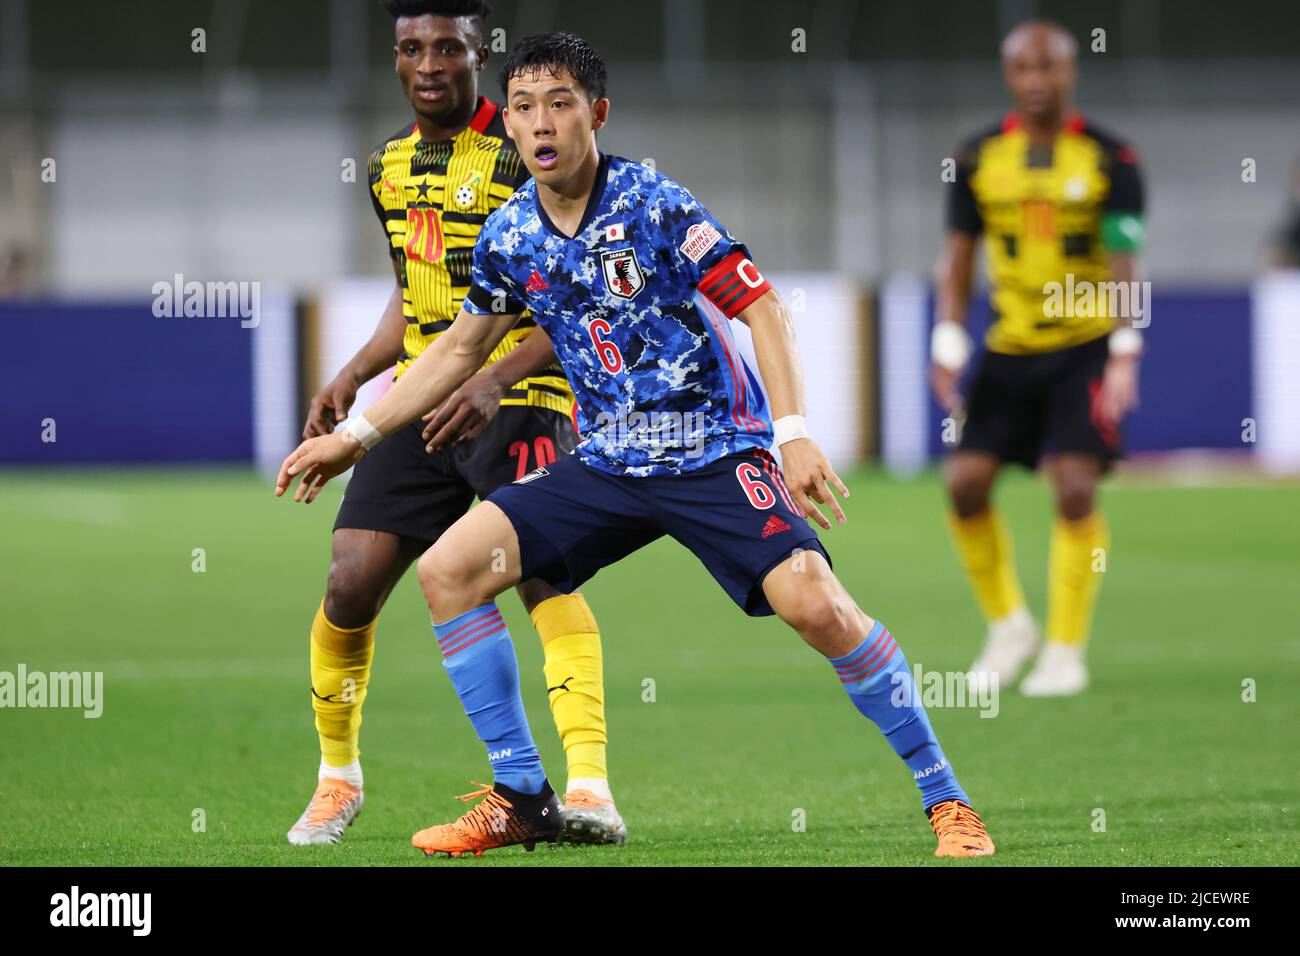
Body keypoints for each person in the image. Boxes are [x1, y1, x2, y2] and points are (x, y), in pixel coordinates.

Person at [278, 31, 995, 860]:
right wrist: (359, 436)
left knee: (816, 603)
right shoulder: (510, 235)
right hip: (609, 460)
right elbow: (458, 349)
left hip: (708, 448)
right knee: (448, 570)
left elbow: (761, 308)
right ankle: (522, 796)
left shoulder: (652, 202)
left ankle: (947, 799)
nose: (541, 124)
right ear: (507, 126)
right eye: (524, 108)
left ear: (597, 114)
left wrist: (793, 436)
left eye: (560, 104)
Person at [286, 1, 624, 848]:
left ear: (481, 56)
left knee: (540, 572)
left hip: (521, 393)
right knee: (349, 581)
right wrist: (355, 373)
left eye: (448, 47)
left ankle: (588, 786)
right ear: (395, 59)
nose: (428, 63)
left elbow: (577, 294)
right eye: (411, 48)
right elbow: (417, 289)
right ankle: (337, 780)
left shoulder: (524, 149)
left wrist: (496, 376)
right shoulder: (386, 165)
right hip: (420, 396)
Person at [933, 20, 1146, 697]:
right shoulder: (976, 158)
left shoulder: (1114, 159)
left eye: (1047, 67)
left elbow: (1124, 261)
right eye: (1023, 68)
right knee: (965, 483)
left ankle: (1065, 648)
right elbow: (960, 258)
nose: (1035, 80)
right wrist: (948, 338)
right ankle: (1009, 626)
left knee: (1076, 486)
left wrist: (1125, 352)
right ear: (1008, 75)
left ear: (1069, 72)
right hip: (1009, 346)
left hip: (1082, 347)